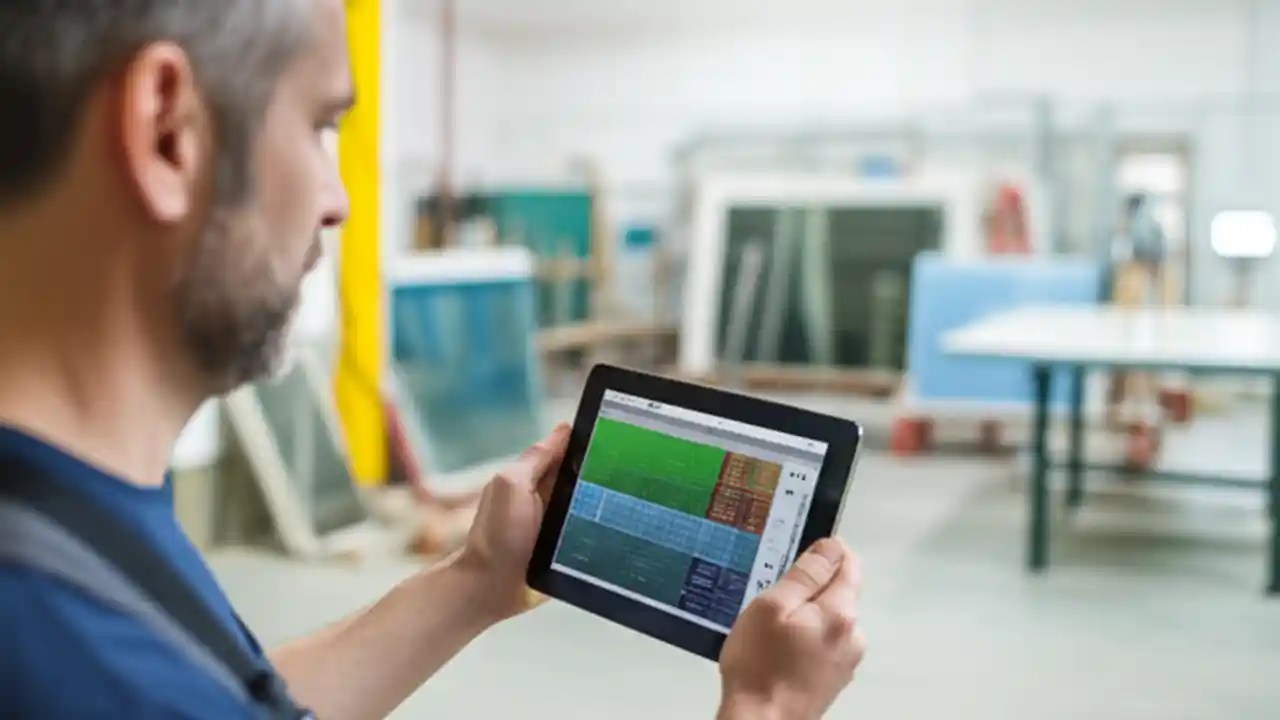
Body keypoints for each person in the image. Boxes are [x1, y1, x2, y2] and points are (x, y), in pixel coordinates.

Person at [0, 2, 867, 719]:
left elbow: (231, 700)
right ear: (168, 131)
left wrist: (477, 582)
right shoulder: (65, 644)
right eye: (319, 124)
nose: (338, 202)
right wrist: (765, 708)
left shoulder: (70, 519)